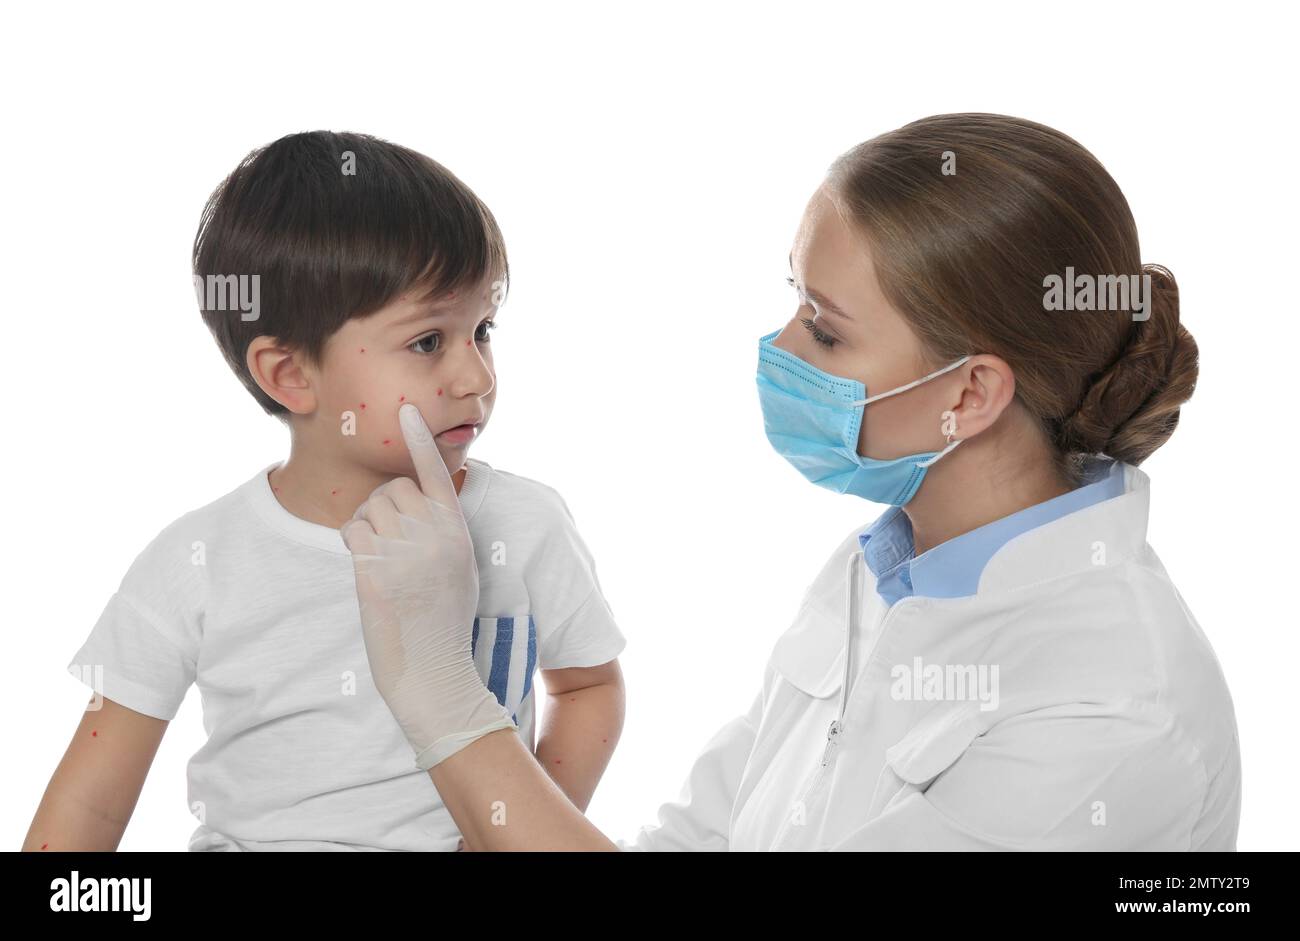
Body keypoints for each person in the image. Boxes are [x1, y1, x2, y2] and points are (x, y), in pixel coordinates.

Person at [341, 113, 1240, 851]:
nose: (781, 350)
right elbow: (696, 841)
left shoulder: (1111, 713)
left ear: (969, 393)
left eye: (826, 329)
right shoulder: (885, 570)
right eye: (796, 301)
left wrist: (443, 698)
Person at [26, 130, 626, 852]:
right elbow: (87, 809)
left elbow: (589, 687)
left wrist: (513, 827)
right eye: (429, 340)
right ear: (290, 374)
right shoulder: (196, 560)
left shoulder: (524, 524)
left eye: (484, 329)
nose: (477, 378)